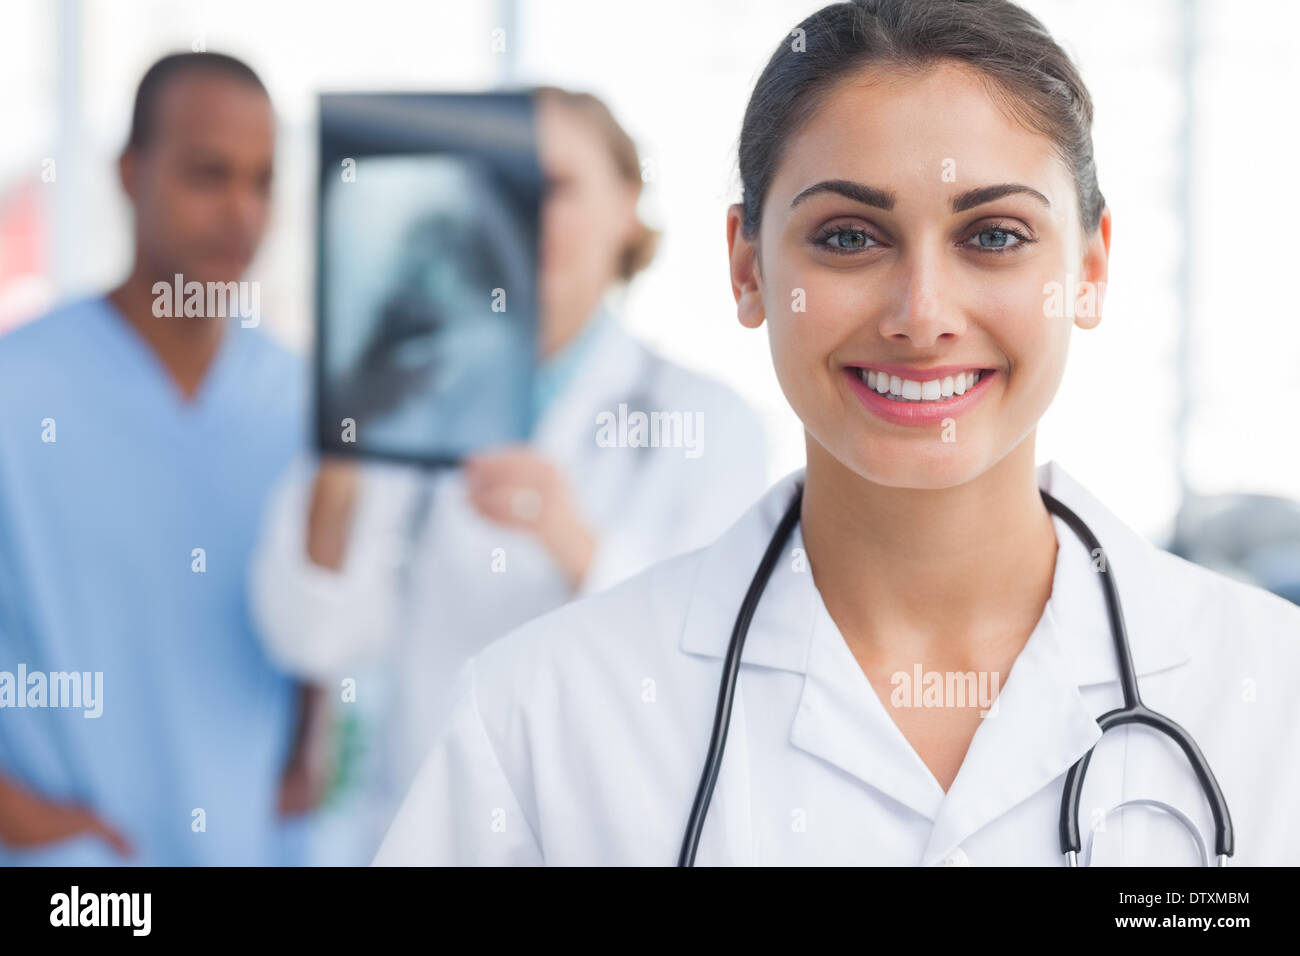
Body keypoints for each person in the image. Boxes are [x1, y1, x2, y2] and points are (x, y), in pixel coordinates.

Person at [373, 0, 1300, 867]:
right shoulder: (542, 718)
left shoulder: (1267, 691)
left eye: (995, 235)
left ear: (1091, 270)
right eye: (851, 238)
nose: (922, 314)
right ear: (747, 269)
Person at [249, 86, 770, 857]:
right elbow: (313, 638)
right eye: (501, 188)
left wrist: (574, 543)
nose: (522, 215)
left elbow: (712, 668)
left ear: (628, 203)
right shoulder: (408, 392)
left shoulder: (710, 420)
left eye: (552, 187)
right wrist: (344, 447)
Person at [0, 52, 327, 865]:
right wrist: (19, 816)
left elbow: (328, 617)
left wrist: (306, 756)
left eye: (262, 182)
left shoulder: (303, 403)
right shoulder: (19, 388)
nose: (241, 212)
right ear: (129, 172)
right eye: (208, 175)